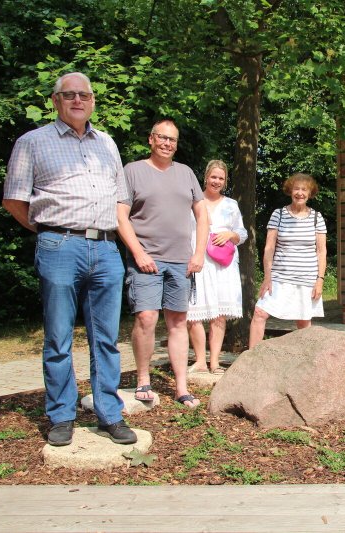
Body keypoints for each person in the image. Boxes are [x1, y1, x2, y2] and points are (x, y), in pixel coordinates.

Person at [3, 72, 136, 446]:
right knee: (59, 338)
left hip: (107, 248)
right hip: (59, 246)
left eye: (85, 95)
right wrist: (49, 231)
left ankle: (110, 412)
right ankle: (62, 415)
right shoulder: (32, 142)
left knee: (107, 339)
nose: (78, 100)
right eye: (70, 95)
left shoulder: (107, 143)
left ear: (93, 101)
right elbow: (14, 199)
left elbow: (121, 197)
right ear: (56, 100)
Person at [117, 119, 209, 409]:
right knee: (146, 318)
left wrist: (199, 253)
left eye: (172, 140)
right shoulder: (133, 171)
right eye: (162, 138)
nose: (168, 143)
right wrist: (138, 253)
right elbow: (121, 217)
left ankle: (182, 386)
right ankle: (143, 379)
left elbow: (202, 215)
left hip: (181, 261)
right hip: (147, 260)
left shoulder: (185, 173)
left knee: (178, 321)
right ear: (151, 140)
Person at [249, 173, 327, 349]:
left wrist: (320, 280)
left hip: (306, 280)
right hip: (279, 278)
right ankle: (250, 360)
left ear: (310, 193)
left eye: (304, 189)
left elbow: (321, 252)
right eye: (296, 189)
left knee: (303, 323)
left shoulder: (317, 217)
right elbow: (269, 248)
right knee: (260, 312)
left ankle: (304, 364)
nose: (300, 193)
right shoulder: (279, 214)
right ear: (290, 191)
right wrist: (267, 277)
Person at [187, 160, 247, 374]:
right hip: (199, 261)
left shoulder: (231, 204)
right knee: (193, 313)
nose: (217, 181)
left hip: (223, 265)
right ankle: (200, 360)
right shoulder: (194, 201)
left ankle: (214, 362)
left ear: (225, 180)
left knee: (219, 314)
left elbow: (243, 233)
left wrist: (230, 234)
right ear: (206, 177)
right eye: (214, 177)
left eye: (221, 178)